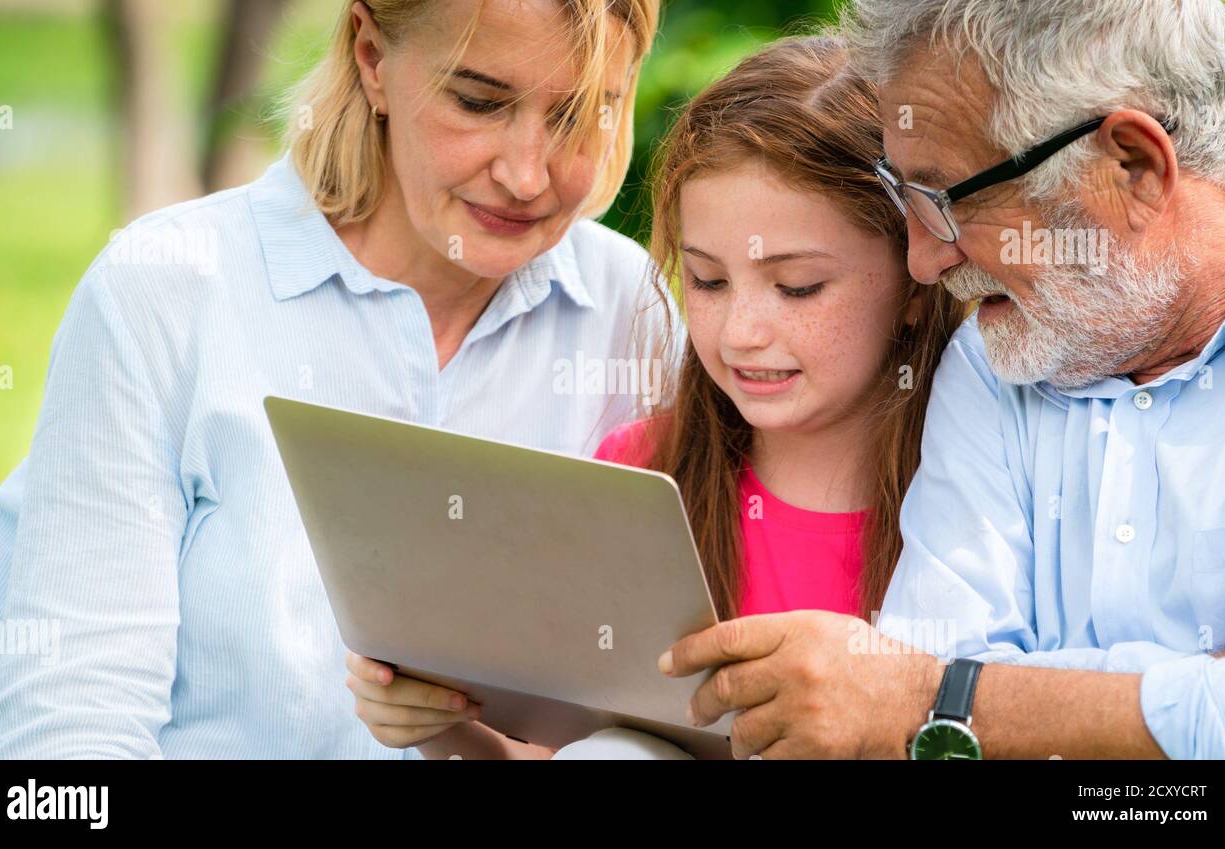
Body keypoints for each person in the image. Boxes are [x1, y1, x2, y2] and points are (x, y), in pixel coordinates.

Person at [0, 0, 663, 759]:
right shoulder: (166, 293)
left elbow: (665, 710)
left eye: (583, 113)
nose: (528, 176)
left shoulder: (633, 316)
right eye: (479, 102)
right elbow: (68, 735)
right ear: (370, 55)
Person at [661, 0, 1225, 759]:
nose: (922, 262)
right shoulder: (996, 357)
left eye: (948, 198)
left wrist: (937, 697)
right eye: (903, 195)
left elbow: (915, 703)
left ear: (1133, 166)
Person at [346, 33, 963, 759]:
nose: (741, 332)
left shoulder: (977, 485)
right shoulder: (644, 472)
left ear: (916, 278)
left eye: (798, 287)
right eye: (706, 280)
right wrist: (443, 723)